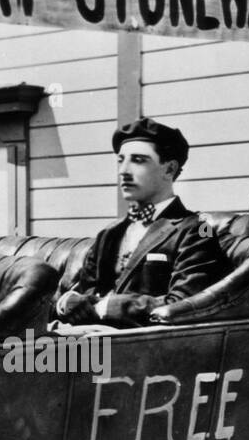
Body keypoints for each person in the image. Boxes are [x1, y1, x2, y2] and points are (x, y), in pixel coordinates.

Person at [55, 117, 227, 328]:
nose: (123, 171)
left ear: (169, 169)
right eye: (120, 160)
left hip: (147, 347)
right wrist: (67, 302)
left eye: (138, 160)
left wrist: (106, 306)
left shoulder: (198, 229)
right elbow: (84, 293)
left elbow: (184, 303)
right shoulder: (110, 233)